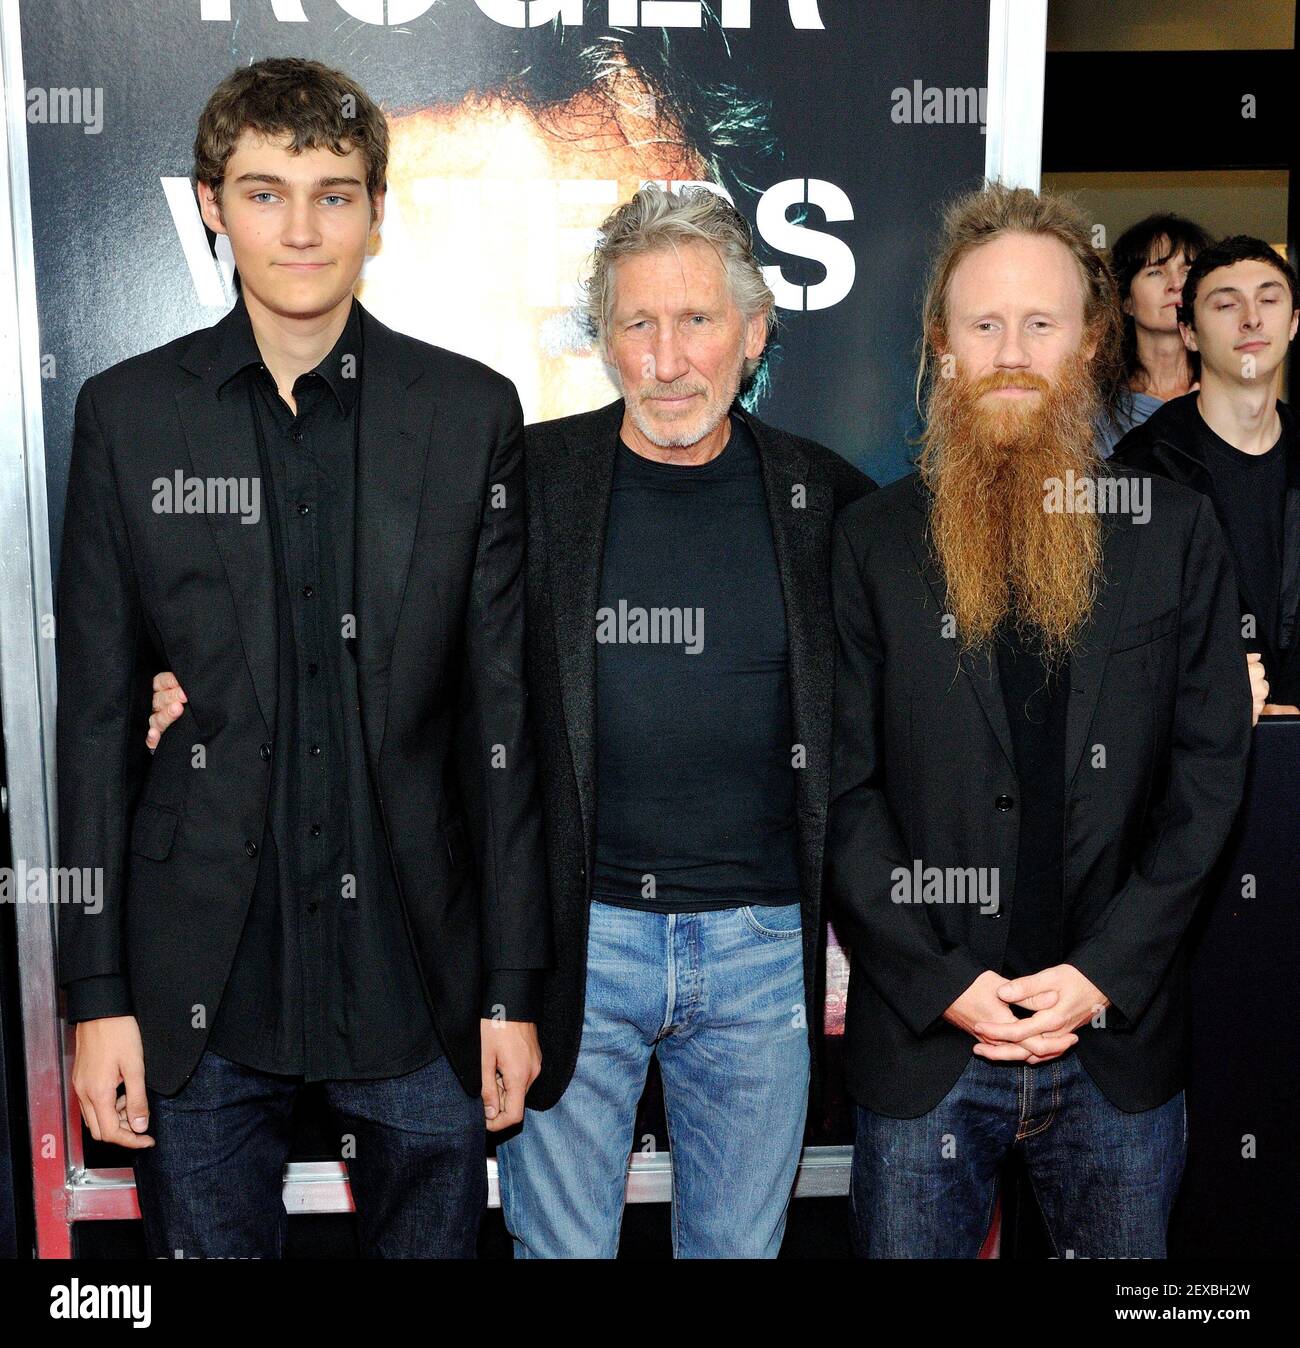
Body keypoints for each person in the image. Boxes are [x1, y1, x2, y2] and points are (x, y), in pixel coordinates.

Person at [149, 184, 875, 1258]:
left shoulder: (830, 502)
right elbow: (386, 641)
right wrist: (210, 689)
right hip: (573, 944)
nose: (666, 359)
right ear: (603, 338)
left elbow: (912, 697)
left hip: (761, 948)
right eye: (637, 322)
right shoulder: (526, 481)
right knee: (558, 1250)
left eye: (696, 321)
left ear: (755, 332)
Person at [56, 57, 548, 1259]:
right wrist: (97, 993)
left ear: (378, 213)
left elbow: (507, 727)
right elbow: (94, 725)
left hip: (418, 973)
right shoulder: (128, 417)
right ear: (211, 205)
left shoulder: (467, 412)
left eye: (334, 193)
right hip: (199, 980)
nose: (302, 227)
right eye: (265, 191)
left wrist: (513, 988)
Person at [827, 182, 1252, 1259]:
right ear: (942, 344)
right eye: (983, 324)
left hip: (1118, 1047)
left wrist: (1103, 969)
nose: (1011, 350)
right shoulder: (869, 543)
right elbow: (837, 787)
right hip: (926, 1047)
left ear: (1091, 339)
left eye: (1040, 322)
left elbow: (1207, 780)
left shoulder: (1173, 532)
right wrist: (943, 983)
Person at [1114, 235, 1300, 713]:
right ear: (1189, 333)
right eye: (1226, 304)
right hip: (1194, 761)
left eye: (1269, 299)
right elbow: (1116, 641)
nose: (1252, 318)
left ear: (1294, 322)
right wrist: (1215, 687)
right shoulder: (1142, 468)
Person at [1096, 213, 1213, 457]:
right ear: (1126, 301)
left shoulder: (1224, 394)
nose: (1176, 284)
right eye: (1155, 272)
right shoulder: (1099, 410)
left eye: (1187, 270)